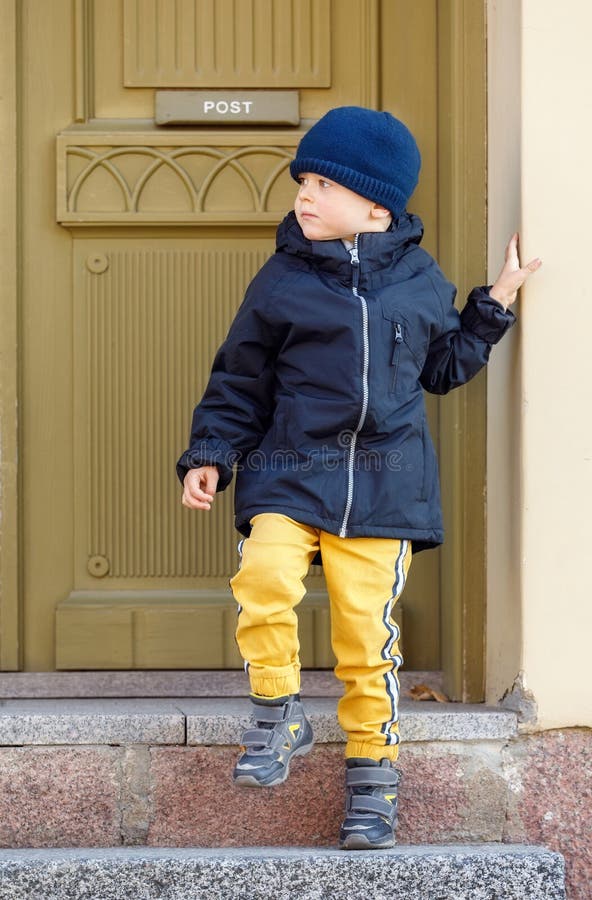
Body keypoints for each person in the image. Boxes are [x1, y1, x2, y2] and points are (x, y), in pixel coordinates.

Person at [176, 106, 541, 850]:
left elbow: (441, 369)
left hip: (385, 488)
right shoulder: (281, 279)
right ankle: (278, 715)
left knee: (363, 639)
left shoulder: (418, 280)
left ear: (375, 204)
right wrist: (211, 452)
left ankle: (373, 784)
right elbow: (240, 378)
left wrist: (493, 305)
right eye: (301, 182)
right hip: (288, 471)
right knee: (264, 575)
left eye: (321, 183)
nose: (304, 196)